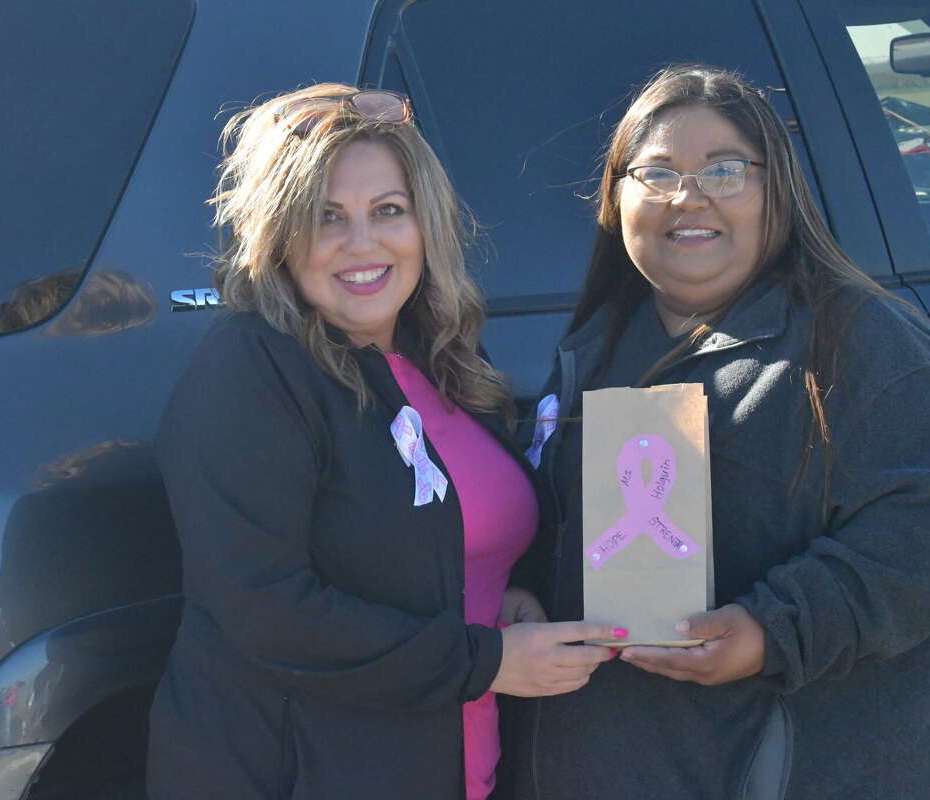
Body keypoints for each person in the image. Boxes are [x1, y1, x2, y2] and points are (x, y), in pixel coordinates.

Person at [504, 65, 930, 799]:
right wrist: (524, 588)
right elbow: (559, 525)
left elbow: (926, 536)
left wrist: (773, 630)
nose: (688, 197)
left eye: (725, 170)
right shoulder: (593, 351)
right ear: (617, 195)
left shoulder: (865, 342)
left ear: (776, 188)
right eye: (657, 172)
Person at [147, 84, 616, 800]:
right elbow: (265, 609)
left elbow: (446, 545)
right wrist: (485, 661)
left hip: (465, 767)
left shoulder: (446, 358)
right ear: (278, 234)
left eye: (389, 210)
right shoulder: (252, 367)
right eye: (325, 216)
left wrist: (504, 595)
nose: (362, 243)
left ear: (426, 223)